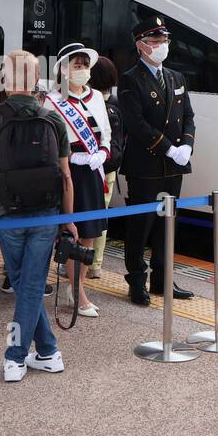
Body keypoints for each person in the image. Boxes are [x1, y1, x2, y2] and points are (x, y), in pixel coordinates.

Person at [0, 50, 75, 382]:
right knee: (27, 285)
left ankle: (15, 357)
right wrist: (67, 218)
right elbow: (66, 176)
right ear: (35, 81)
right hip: (46, 215)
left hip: (7, 213)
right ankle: (47, 352)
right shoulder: (53, 119)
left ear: (4, 80)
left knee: (25, 285)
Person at [118, 16, 196, 306]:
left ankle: (162, 280)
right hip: (145, 165)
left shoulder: (177, 77)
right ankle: (136, 281)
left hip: (174, 166)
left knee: (167, 224)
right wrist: (167, 148)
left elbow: (188, 115)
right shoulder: (130, 79)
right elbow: (135, 123)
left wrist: (186, 145)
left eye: (164, 41)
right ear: (141, 46)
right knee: (141, 225)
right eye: (155, 41)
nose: (161, 46)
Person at [47, 42, 111, 316]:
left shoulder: (96, 96)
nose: (83, 70)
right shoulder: (52, 101)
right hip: (68, 172)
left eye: (85, 66)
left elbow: (106, 132)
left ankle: (78, 287)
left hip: (93, 171)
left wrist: (103, 153)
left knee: (90, 234)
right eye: (76, 66)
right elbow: (51, 142)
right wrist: (73, 159)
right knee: (72, 234)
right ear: (62, 70)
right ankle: (78, 293)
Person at [88, 56, 124, 280]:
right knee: (101, 217)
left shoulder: (87, 102)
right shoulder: (118, 103)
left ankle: (74, 259)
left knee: (80, 214)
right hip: (109, 170)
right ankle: (95, 265)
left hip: (85, 168)